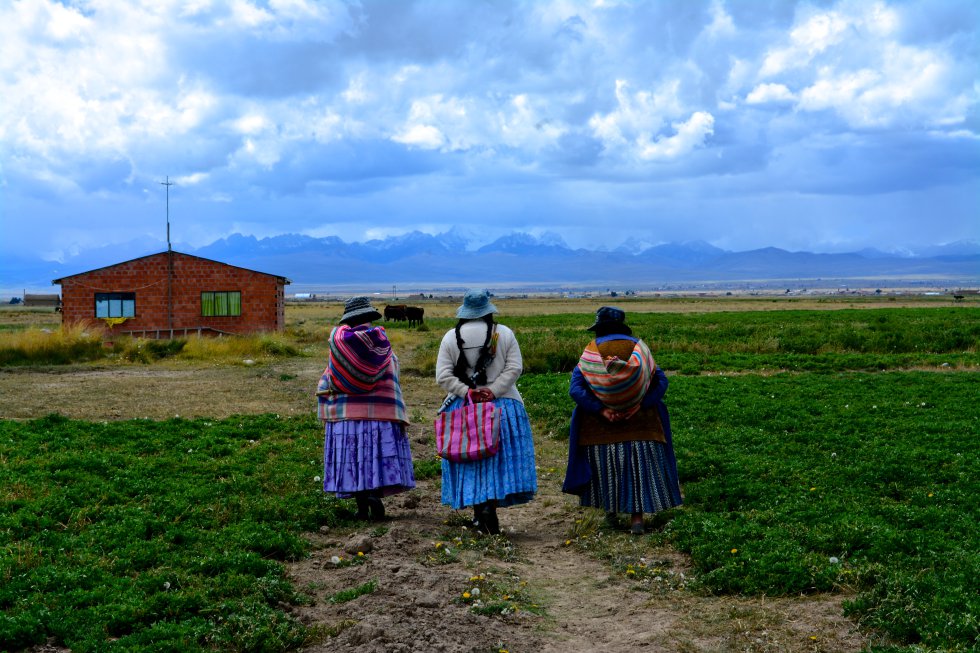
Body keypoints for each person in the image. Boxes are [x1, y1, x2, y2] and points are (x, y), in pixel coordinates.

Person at [562, 306, 682, 535]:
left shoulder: (592, 352)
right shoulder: (639, 349)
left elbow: (576, 390)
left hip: (601, 427)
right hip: (642, 425)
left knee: (608, 469)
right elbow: (661, 382)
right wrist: (640, 405)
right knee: (639, 471)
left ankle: (611, 515)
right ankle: (637, 520)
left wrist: (602, 410)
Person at [435, 289, 537, 534]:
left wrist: (466, 391)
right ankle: (490, 509)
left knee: (469, 458)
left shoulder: (451, 337)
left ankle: (479, 513)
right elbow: (514, 368)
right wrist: (493, 391)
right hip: (503, 406)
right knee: (496, 461)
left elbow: (443, 376)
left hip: (465, 407)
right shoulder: (505, 334)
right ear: (488, 310)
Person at [316, 296, 415, 521]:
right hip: (380, 415)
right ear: (370, 318)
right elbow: (393, 379)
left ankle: (361, 506)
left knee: (352, 457)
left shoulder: (338, 349)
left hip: (346, 416)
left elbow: (329, 379)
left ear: (348, 320)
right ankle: (373, 494)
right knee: (373, 455)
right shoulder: (384, 348)